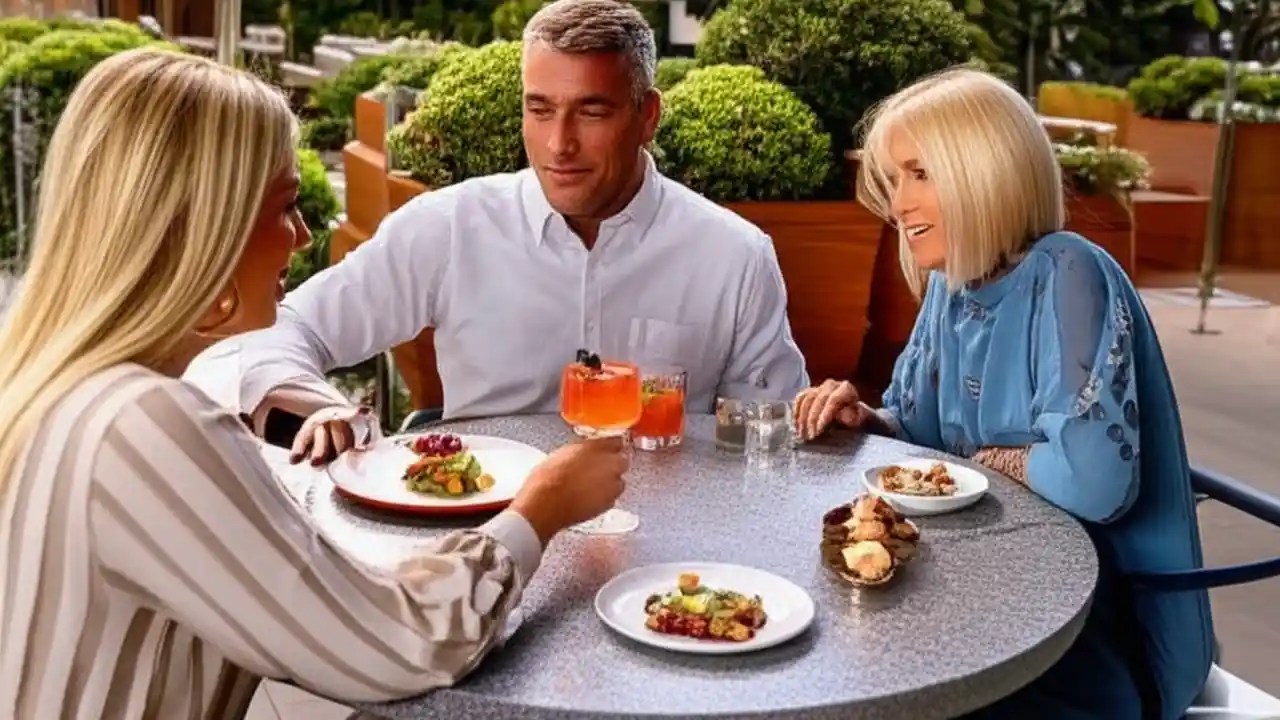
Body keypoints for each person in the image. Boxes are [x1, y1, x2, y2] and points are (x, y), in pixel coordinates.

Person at [0, 49, 628, 720]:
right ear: (200, 228)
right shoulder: (142, 424)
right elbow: (395, 645)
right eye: (285, 206)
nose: (301, 236)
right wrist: (540, 511)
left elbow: (319, 597)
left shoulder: (58, 386)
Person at [793, 68, 1213, 719]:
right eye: (895, 179)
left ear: (985, 171)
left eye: (920, 174)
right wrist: (866, 417)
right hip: (978, 598)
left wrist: (999, 461)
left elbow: (1095, 486)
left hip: (1083, 636)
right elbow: (922, 440)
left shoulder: (1067, 271)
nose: (898, 203)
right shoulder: (952, 286)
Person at [185, 0, 808, 426]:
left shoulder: (735, 255)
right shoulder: (448, 227)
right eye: (540, 110)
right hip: (479, 537)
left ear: (647, 116)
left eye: (590, 112)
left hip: (669, 559)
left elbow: (770, 428)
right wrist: (312, 403)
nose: (559, 144)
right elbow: (287, 331)